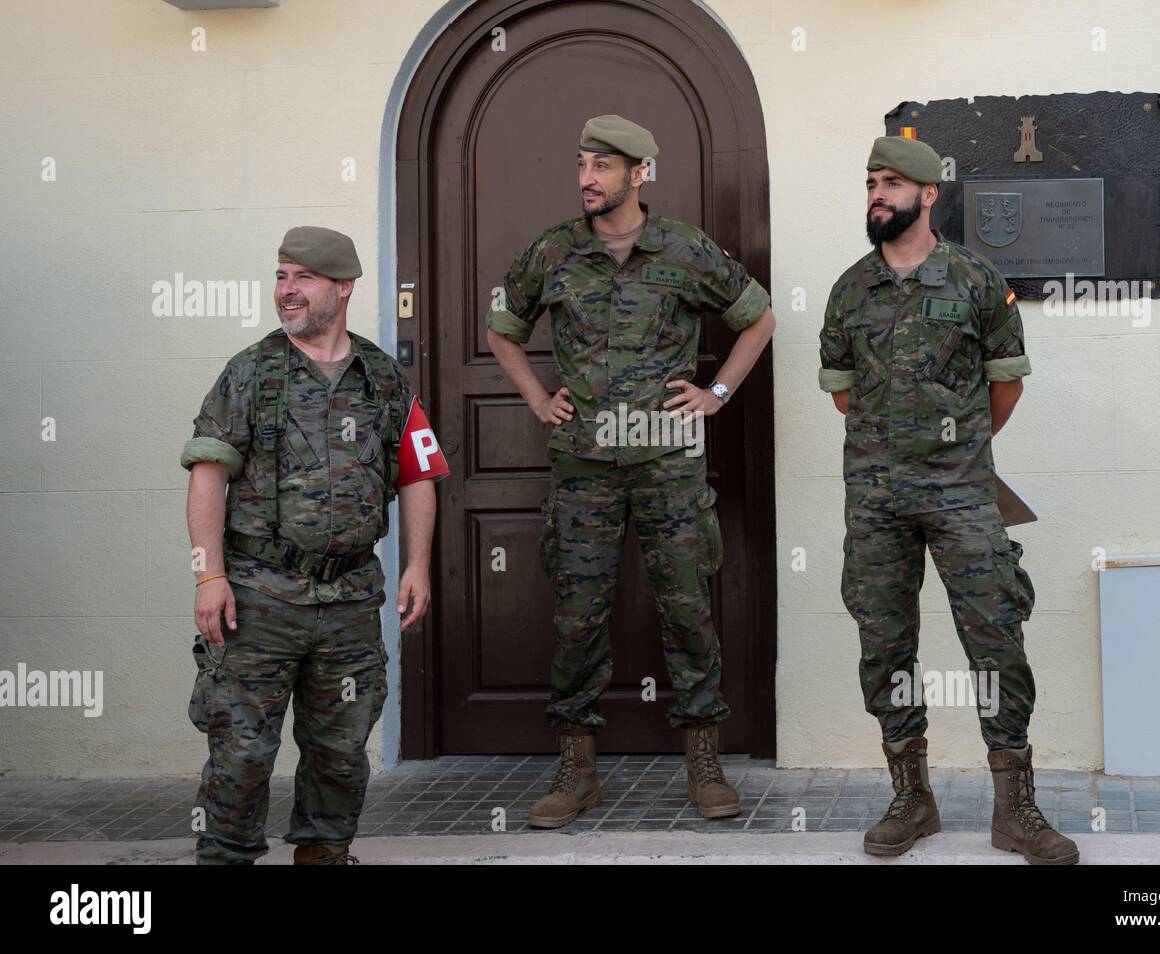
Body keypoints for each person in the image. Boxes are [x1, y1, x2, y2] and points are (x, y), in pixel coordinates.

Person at [485, 115, 775, 828]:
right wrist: (534, 395)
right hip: (584, 465)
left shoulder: (684, 249)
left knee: (686, 610)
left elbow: (759, 317)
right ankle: (576, 768)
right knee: (579, 616)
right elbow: (502, 326)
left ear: (640, 173)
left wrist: (718, 394)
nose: (587, 177)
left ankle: (703, 762)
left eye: (604, 166)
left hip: (668, 466)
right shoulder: (554, 252)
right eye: (582, 164)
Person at [819, 135, 1078, 864]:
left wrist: (956, 448)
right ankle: (912, 798)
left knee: (995, 633)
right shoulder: (849, 291)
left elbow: (1007, 385)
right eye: (871, 181)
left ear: (929, 195)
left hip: (963, 495)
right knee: (884, 642)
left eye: (892, 183)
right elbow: (843, 395)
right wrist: (895, 454)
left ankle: (1016, 810)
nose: (877, 193)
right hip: (874, 500)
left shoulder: (974, 279)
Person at [182, 225, 447, 864]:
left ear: (343, 287)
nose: (287, 291)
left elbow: (418, 475)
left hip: (352, 598)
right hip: (258, 599)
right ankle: (224, 858)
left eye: (302, 277)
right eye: (281, 276)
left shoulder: (384, 378)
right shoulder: (250, 372)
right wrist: (207, 575)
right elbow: (207, 475)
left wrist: (417, 566)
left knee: (341, 747)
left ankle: (324, 856)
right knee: (241, 751)